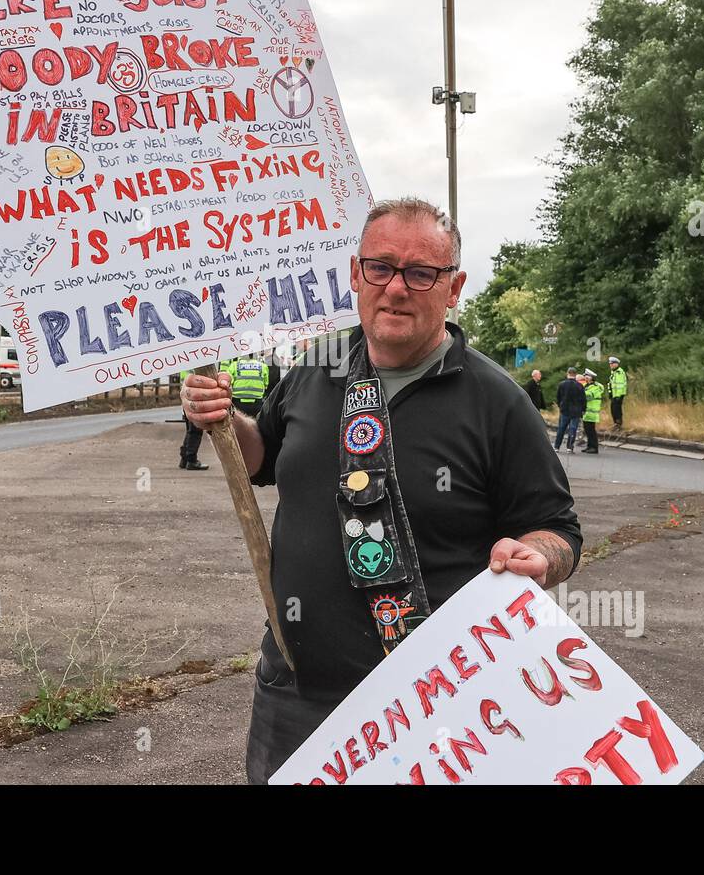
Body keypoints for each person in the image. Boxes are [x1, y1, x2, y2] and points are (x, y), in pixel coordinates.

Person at [181, 197, 583, 784]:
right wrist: (222, 419)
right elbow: (262, 457)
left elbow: (558, 528)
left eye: (421, 273)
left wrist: (539, 556)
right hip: (298, 686)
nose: (396, 288)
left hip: (435, 701)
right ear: (355, 273)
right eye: (381, 267)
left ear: (453, 287)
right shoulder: (315, 368)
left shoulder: (496, 400)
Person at [554, 366, 585, 453]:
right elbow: (583, 399)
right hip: (576, 411)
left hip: (565, 410)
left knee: (561, 428)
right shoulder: (579, 386)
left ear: (567, 374)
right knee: (573, 428)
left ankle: (557, 446)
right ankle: (569, 447)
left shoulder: (562, 384)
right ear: (575, 375)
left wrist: (560, 406)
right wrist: (583, 409)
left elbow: (558, 397)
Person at [582, 369, 604, 454]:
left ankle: (594, 447)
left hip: (592, 412)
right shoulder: (585, 386)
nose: (585, 378)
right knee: (587, 430)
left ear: (591, 378)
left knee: (591, 431)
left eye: (587, 377)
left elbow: (589, 395)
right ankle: (589, 446)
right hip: (586, 412)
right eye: (585, 377)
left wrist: (581, 393)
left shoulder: (596, 387)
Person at [607, 356, 627, 429]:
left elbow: (620, 385)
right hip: (614, 395)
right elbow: (611, 384)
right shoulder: (613, 373)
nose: (610, 365)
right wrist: (610, 393)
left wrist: (618, 396)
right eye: (610, 364)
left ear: (617, 364)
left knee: (617, 410)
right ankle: (615, 424)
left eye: (612, 364)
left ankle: (618, 424)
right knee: (613, 409)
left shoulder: (619, 372)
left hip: (618, 395)